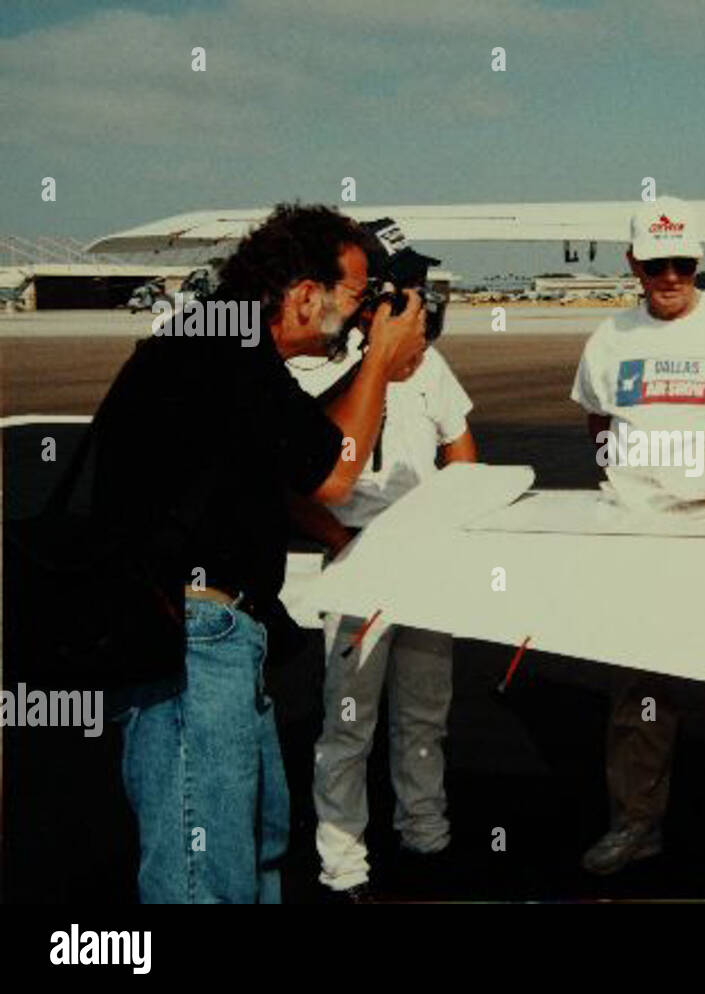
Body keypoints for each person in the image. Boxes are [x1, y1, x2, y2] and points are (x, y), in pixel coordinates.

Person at [91, 204, 427, 903]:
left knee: (251, 850)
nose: (363, 314)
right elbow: (334, 472)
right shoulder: (225, 350)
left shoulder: (220, 343)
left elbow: (300, 453)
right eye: (359, 298)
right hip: (192, 642)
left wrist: (375, 368)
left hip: (216, 637)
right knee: (204, 876)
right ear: (307, 295)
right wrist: (380, 366)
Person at [570, 196, 705, 888]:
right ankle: (635, 824)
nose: (670, 276)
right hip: (640, 536)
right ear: (633, 262)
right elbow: (597, 423)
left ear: (699, 262)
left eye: (684, 263)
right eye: (657, 264)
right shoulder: (608, 337)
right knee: (640, 691)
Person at [288, 329, 476, 901]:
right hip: (357, 558)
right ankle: (344, 866)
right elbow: (289, 480)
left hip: (422, 561)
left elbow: (461, 448)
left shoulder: (432, 366)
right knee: (348, 723)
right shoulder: (316, 370)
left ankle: (426, 836)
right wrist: (341, 540)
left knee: (425, 714)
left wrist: (450, 518)